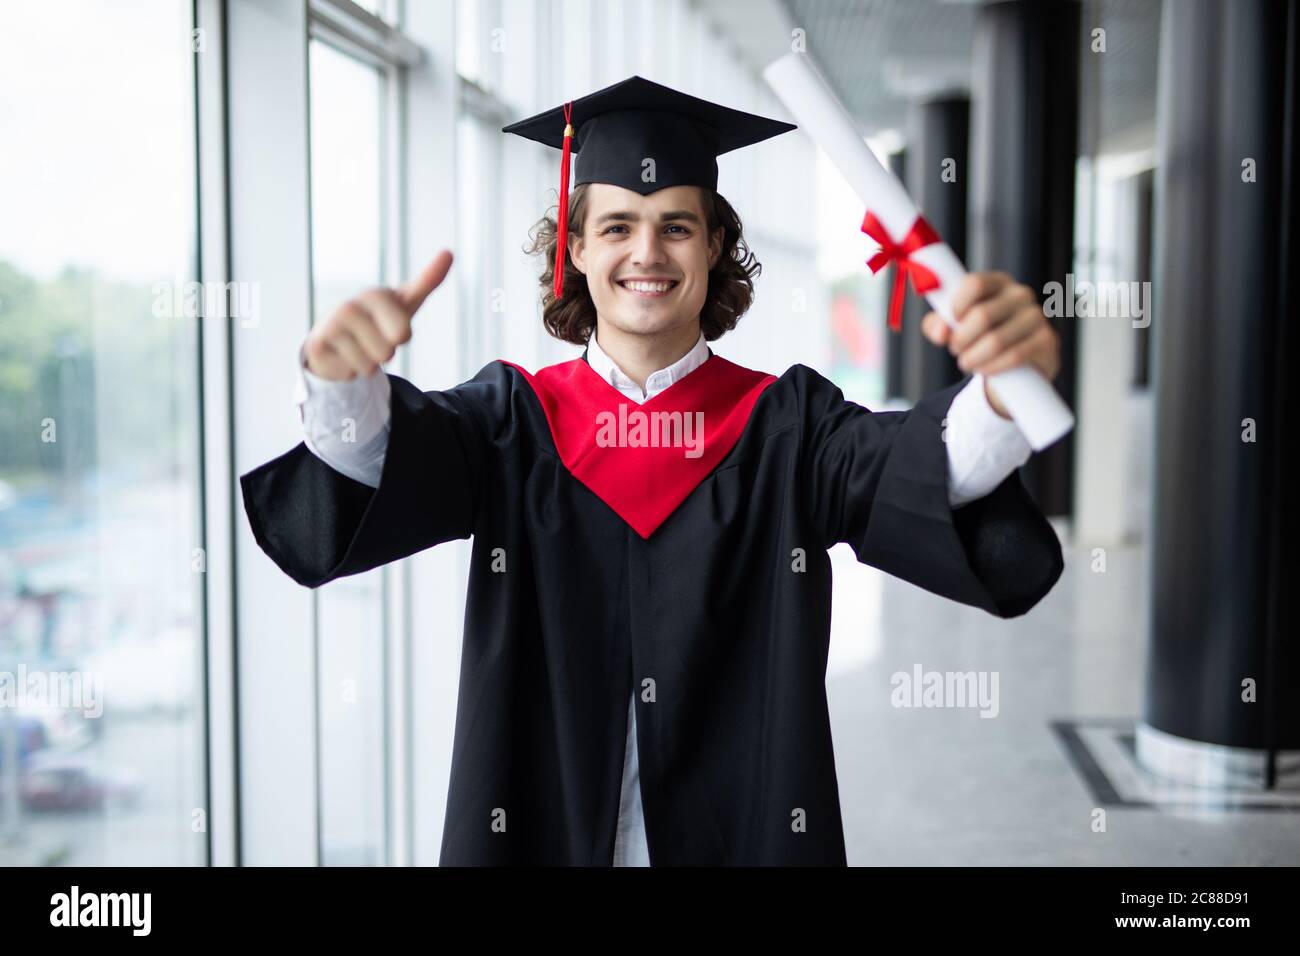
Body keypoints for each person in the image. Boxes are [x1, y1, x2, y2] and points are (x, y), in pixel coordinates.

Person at [240, 76, 1064, 866]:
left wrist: (1001, 389)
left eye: (676, 225)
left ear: (713, 245)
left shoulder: (788, 427)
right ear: (576, 250)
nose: (647, 251)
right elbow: (380, 457)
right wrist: (339, 381)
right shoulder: (509, 424)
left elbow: (927, 466)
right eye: (616, 226)